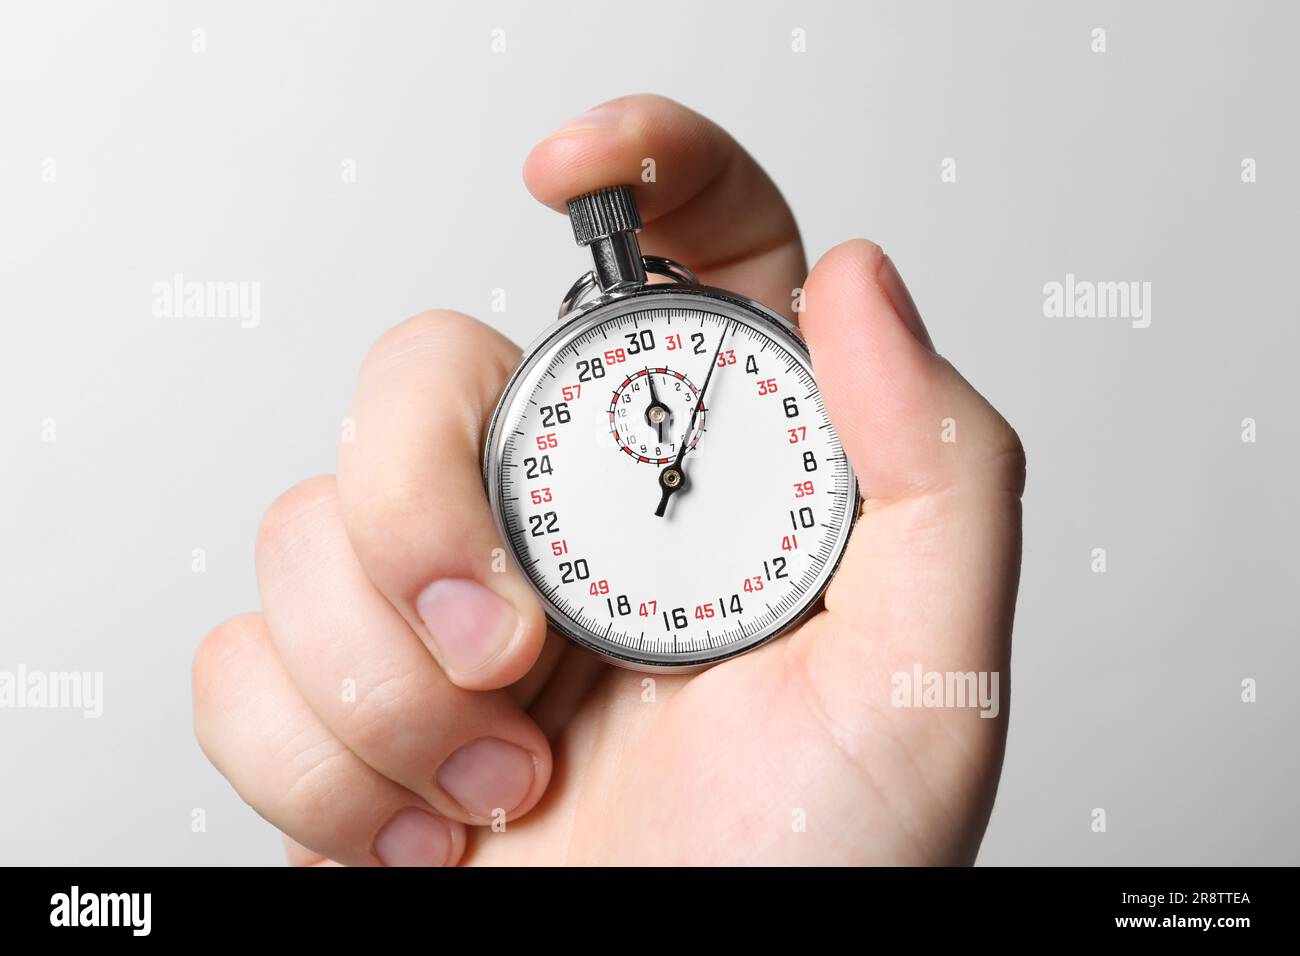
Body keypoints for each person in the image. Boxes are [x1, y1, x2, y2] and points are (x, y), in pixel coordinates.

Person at [192, 94, 1025, 866]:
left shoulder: (787, 398)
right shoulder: (559, 446)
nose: (673, 466)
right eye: (668, 460)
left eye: (681, 455)